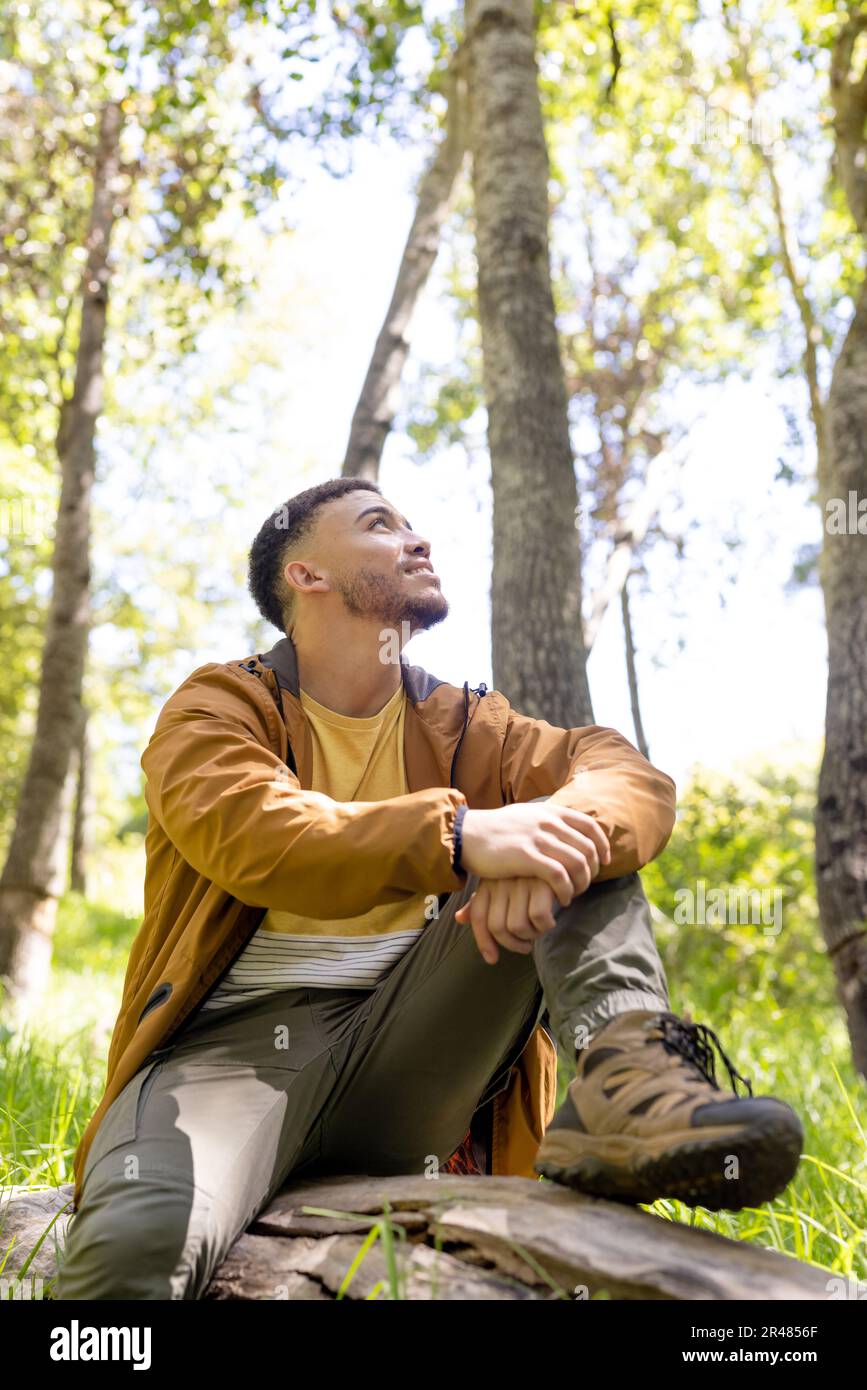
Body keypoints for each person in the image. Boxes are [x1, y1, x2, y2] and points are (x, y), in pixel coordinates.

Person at [57, 477, 803, 1301]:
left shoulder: (466, 722)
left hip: (412, 1047)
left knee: (574, 833)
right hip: (226, 1061)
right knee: (131, 1257)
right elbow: (251, 831)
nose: (418, 540)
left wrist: (535, 843)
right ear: (304, 575)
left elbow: (624, 777)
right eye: (381, 525)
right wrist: (461, 837)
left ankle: (624, 1084)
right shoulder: (220, 705)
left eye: (414, 525)